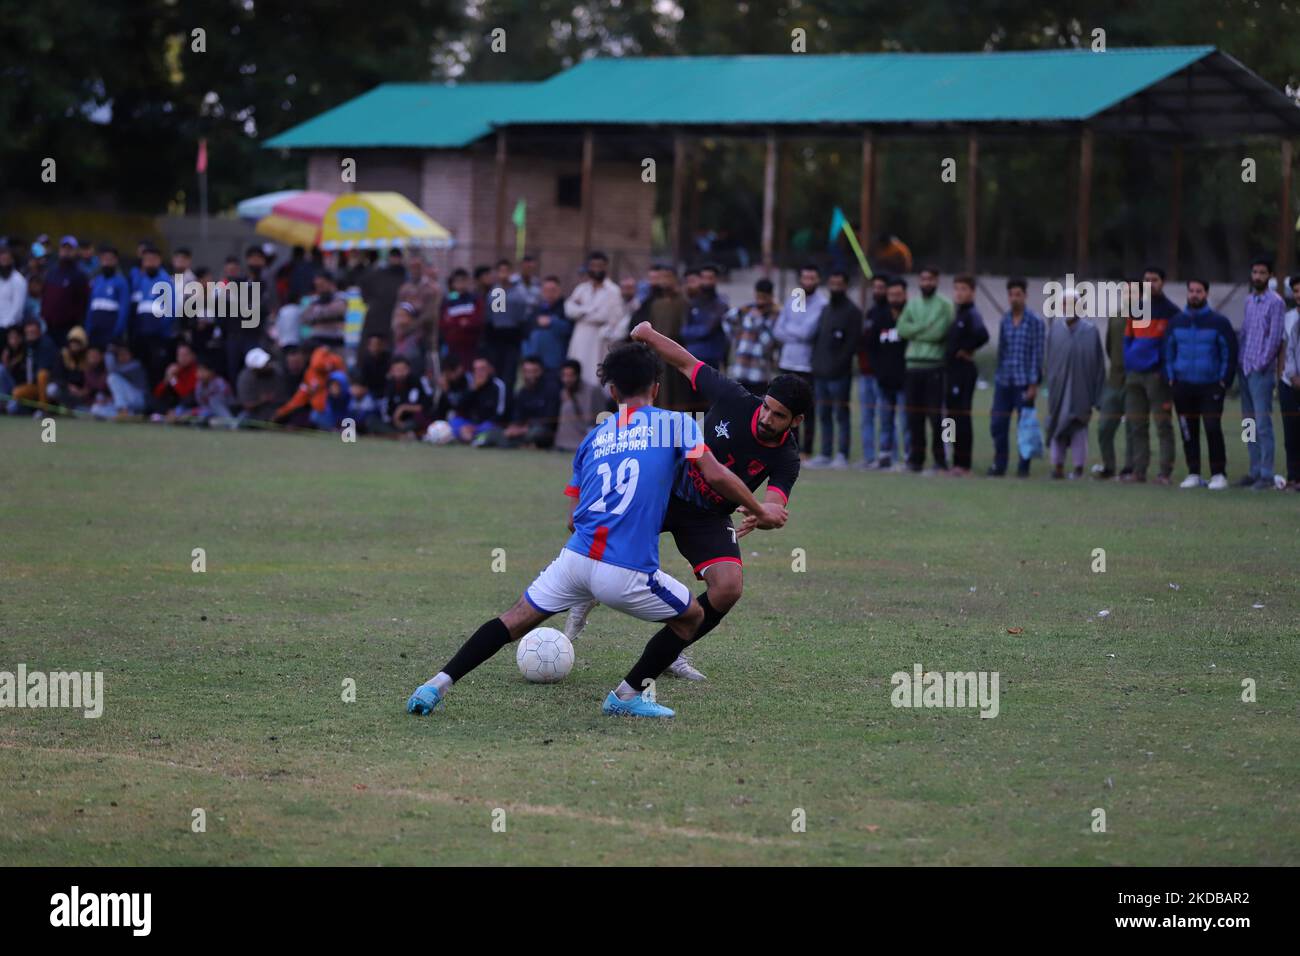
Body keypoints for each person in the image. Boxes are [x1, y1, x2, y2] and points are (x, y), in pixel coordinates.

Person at [406, 341, 787, 720]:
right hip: (625, 571)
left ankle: (434, 685)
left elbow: (573, 517)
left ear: (612, 391)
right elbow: (716, 474)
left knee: (513, 619)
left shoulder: (594, 438)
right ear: (656, 387)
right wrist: (759, 510)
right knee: (690, 617)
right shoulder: (676, 424)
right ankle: (626, 694)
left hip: (574, 559)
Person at [565, 322, 808, 683]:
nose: (766, 418)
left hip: (708, 515)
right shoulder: (736, 399)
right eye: (767, 408)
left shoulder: (787, 456)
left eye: (778, 416)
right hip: (663, 490)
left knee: (728, 588)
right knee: (599, 535)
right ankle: (581, 599)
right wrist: (648, 334)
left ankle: (671, 651)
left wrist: (766, 514)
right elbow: (685, 362)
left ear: (796, 421)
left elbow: (776, 500)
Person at [1165, 279, 1238, 490]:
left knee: (1212, 428)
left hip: (1211, 386)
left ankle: (1218, 474)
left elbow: (1229, 353)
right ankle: (1194, 473)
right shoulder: (1176, 321)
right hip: (1183, 386)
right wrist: (1171, 377)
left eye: (1199, 291)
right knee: (1189, 431)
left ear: (1206, 294)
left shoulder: (1219, 322)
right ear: (1187, 293)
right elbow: (1168, 351)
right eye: (1191, 291)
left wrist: (1224, 381)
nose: (1194, 294)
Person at [1121, 266, 1178, 485]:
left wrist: (1164, 371)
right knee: (1137, 424)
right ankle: (1138, 470)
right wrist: (1129, 365)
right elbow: (1128, 339)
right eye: (1146, 280)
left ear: (1163, 282)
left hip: (1156, 376)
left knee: (1162, 425)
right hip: (1134, 375)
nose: (1150, 284)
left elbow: (1172, 346)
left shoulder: (1172, 312)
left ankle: (1164, 472)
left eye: (1155, 280)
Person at [1236, 257, 1287, 490]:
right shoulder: (1249, 301)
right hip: (1245, 368)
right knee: (1248, 423)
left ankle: (1266, 473)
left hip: (1261, 371)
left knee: (1262, 422)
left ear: (1270, 276)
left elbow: (1275, 338)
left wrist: (1261, 363)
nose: (1257, 276)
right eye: (1255, 272)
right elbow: (1246, 332)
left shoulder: (1275, 302)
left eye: (1262, 273)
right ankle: (1253, 469)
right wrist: (1241, 361)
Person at [897, 266, 955, 473]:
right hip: (913, 367)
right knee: (914, 417)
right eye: (923, 279)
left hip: (934, 367)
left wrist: (917, 331)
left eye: (930, 279)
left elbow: (939, 332)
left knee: (935, 417)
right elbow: (902, 328)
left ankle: (940, 461)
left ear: (937, 280)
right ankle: (916, 460)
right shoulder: (912, 303)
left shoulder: (945, 305)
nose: (926, 283)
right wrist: (925, 328)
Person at [1043, 291, 1106, 479]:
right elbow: (1048, 360)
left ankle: (1078, 468)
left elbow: (1099, 364)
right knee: (1057, 426)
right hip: (1058, 390)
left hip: (1082, 389)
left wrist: (1097, 394)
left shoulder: (1090, 331)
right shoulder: (1055, 329)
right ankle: (1058, 467)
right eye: (1065, 304)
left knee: (1079, 428)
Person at [989, 278, 1045, 477]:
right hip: (1004, 381)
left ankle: (1024, 466)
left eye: (1018, 294)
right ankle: (1000, 464)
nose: (1014, 298)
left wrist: (1033, 383)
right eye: (1011, 295)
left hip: (1024, 382)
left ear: (1025, 295)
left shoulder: (1035, 321)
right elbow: (1002, 350)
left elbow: (1038, 353)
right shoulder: (1005, 320)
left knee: (1025, 426)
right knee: (997, 424)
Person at [809, 270, 861, 469]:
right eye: (832, 283)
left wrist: (838, 366)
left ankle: (842, 454)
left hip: (839, 375)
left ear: (846, 286)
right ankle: (825, 452)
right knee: (824, 414)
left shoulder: (853, 312)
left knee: (841, 414)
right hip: (820, 373)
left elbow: (850, 346)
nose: (835, 288)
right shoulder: (826, 309)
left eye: (839, 284)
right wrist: (816, 364)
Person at [773, 264, 827, 456]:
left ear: (818, 280)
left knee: (806, 410)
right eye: (805, 277)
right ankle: (789, 446)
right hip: (787, 362)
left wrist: (791, 331)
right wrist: (795, 332)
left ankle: (807, 449)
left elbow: (807, 332)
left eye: (812, 278)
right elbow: (777, 330)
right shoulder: (794, 299)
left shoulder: (821, 303)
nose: (808, 281)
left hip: (806, 365)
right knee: (785, 408)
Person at [945, 274, 989, 476]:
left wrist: (966, 349)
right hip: (950, 371)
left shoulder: (972, 314)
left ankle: (964, 463)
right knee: (950, 417)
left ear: (972, 292)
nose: (959, 293)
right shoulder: (958, 313)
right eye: (957, 289)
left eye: (963, 289)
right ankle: (951, 459)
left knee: (962, 416)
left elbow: (983, 335)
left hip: (963, 372)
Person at [865, 276, 910, 469]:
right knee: (885, 420)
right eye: (891, 294)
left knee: (906, 421)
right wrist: (878, 370)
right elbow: (871, 346)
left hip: (906, 380)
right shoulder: (880, 316)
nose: (894, 297)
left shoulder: (911, 315)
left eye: (898, 294)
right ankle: (885, 456)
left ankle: (908, 457)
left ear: (905, 295)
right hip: (883, 380)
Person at [564, 251, 624, 388]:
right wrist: (589, 310)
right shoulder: (581, 289)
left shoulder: (613, 291)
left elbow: (607, 316)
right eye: (593, 265)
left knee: (596, 376)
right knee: (578, 372)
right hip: (580, 336)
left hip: (599, 339)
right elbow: (569, 310)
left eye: (600, 266)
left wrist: (582, 311)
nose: (596, 269)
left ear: (605, 267)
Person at [1094, 284, 1133, 480]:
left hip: (1135, 381)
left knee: (1132, 428)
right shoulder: (1116, 316)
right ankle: (1108, 466)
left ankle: (1130, 468)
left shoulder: (1145, 317)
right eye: (1125, 291)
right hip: (1114, 381)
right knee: (1104, 427)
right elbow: (1109, 346)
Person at [722, 277, 780, 396]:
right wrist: (736, 336)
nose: (760, 302)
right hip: (741, 370)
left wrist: (758, 321)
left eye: (764, 298)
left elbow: (768, 344)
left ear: (770, 297)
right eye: (758, 297)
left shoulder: (775, 316)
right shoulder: (748, 310)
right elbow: (727, 321)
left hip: (759, 373)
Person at [856, 276, 889, 467]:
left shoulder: (890, 314)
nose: (877, 291)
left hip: (881, 375)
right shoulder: (871, 312)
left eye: (881, 287)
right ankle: (869, 457)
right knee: (866, 417)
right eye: (875, 287)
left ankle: (886, 456)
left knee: (885, 417)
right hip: (865, 373)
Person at [40, 237, 90, 348]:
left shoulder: (79, 275)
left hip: (68, 328)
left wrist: (78, 324)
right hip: (49, 327)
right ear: (59, 250)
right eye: (64, 248)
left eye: (70, 249)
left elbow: (83, 302)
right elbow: (44, 296)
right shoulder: (52, 272)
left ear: (76, 252)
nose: (66, 251)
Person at [681, 263, 729, 375]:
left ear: (716, 280)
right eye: (703, 278)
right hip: (691, 358)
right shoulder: (692, 303)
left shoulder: (721, 305)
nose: (706, 282)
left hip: (711, 359)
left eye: (710, 278)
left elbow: (709, 329)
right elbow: (684, 331)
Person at [451, 356, 511, 444]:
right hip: (471, 423)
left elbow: (500, 414)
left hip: (489, 424)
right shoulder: (471, 385)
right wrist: (473, 390)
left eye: (482, 369)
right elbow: (459, 407)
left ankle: (473, 437)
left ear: (490, 370)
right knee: (454, 422)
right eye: (476, 369)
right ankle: (472, 437)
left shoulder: (498, 386)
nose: (479, 373)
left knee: (489, 428)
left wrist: (475, 428)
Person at [503, 356, 559, 448]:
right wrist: (513, 427)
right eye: (526, 371)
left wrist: (524, 429)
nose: (529, 375)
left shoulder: (551, 390)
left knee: (537, 433)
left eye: (533, 371)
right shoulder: (522, 393)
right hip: (522, 430)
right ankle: (523, 444)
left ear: (540, 371)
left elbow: (550, 420)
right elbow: (517, 416)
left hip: (542, 431)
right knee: (499, 433)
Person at [522, 275, 572, 375]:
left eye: (553, 290)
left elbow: (570, 330)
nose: (549, 293)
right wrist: (527, 355)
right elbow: (526, 333)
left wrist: (552, 322)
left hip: (556, 365)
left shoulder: (567, 309)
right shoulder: (537, 309)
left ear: (559, 290)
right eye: (546, 290)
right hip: (535, 365)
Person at [84, 246, 131, 351]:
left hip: (110, 334)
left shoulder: (121, 282)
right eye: (104, 259)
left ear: (115, 261)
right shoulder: (97, 281)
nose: (106, 262)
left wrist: (117, 333)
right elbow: (90, 307)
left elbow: (124, 310)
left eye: (110, 259)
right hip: (94, 333)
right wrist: (88, 329)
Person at [555, 358, 606, 452]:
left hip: (587, 441)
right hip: (562, 443)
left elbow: (602, 416)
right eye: (564, 376)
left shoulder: (592, 391)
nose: (567, 380)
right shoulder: (562, 392)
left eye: (570, 376)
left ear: (578, 375)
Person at [439, 268, 484, 370]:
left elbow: (478, 320)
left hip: (472, 346)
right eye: (457, 281)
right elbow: (444, 322)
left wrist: (464, 323)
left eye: (463, 280)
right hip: (453, 346)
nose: (460, 284)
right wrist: (461, 322)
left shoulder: (475, 298)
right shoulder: (448, 300)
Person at [1279, 275, 1300, 490]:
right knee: (1291, 433)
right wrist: (1292, 376)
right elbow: (1288, 351)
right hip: (1290, 383)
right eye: (1296, 291)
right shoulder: (1289, 319)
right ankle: (1293, 477)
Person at [235, 346, 288, 421]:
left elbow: (284, 397)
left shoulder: (277, 371)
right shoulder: (245, 379)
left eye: (267, 362)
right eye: (264, 365)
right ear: (254, 369)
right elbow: (247, 405)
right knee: (243, 418)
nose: (268, 366)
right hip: (255, 413)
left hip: (277, 410)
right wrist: (262, 400)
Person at [299, 270, 346, 351]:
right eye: (317, 285)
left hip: (334, 341)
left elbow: (336, 310)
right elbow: (304, 318)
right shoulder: (314, 301)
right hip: (316, 340)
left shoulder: (339, 298)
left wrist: (318, 312)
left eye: (321, 285)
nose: (319, 288)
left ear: (330, 283)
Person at [0, 244, 27, 331]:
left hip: (10, 327)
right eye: (2, 259)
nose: (4, 262)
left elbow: (18, 307)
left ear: (12, 260)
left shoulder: (18, 280)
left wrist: (7, 324)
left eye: (6, 259)